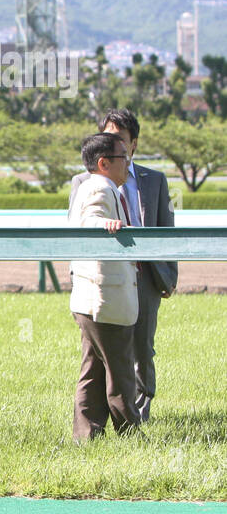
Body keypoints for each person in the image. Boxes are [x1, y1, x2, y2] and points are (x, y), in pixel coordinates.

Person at [69, 109, 176, 423]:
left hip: (145, 276)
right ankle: (125, 425)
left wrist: (168, 275)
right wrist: (104, 225)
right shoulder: (89, 182)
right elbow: (82, 220)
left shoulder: (153, 180)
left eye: (121, 140)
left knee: (141, 349)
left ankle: (121, 419)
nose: (117, 146)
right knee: (107, 357)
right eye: (110, 138)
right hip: (104, 282)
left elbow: (167, 229)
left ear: (133, 144)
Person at [69, 132, 142, 441]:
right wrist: (106, 225)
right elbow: (91, 220)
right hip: (105, 299)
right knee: (121, 372)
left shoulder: (92, 185)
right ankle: (131, 437)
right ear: (103, 163)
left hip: (89, 299)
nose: (128, 163)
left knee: (93, 372)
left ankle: (86, 436)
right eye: (123, 157)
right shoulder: (100, 186)